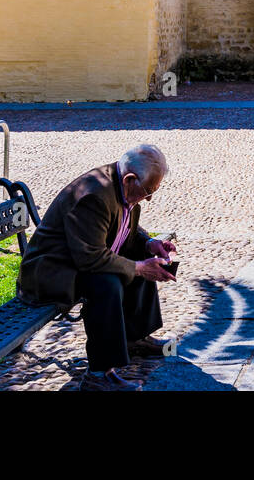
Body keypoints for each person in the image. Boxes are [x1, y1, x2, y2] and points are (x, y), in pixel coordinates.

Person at [17, 144, 178, 390]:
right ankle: (99, 374)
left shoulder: (120, 186)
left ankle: (134, 339)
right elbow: (90, 258)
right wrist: (139, 267)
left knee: (139, 262)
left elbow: (122, 231)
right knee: (107, 282)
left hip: (76, 263)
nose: (148, 198)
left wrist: (149, 245)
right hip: (49, 273)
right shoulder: (95, 196)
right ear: (130, 179)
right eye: (147, 191)